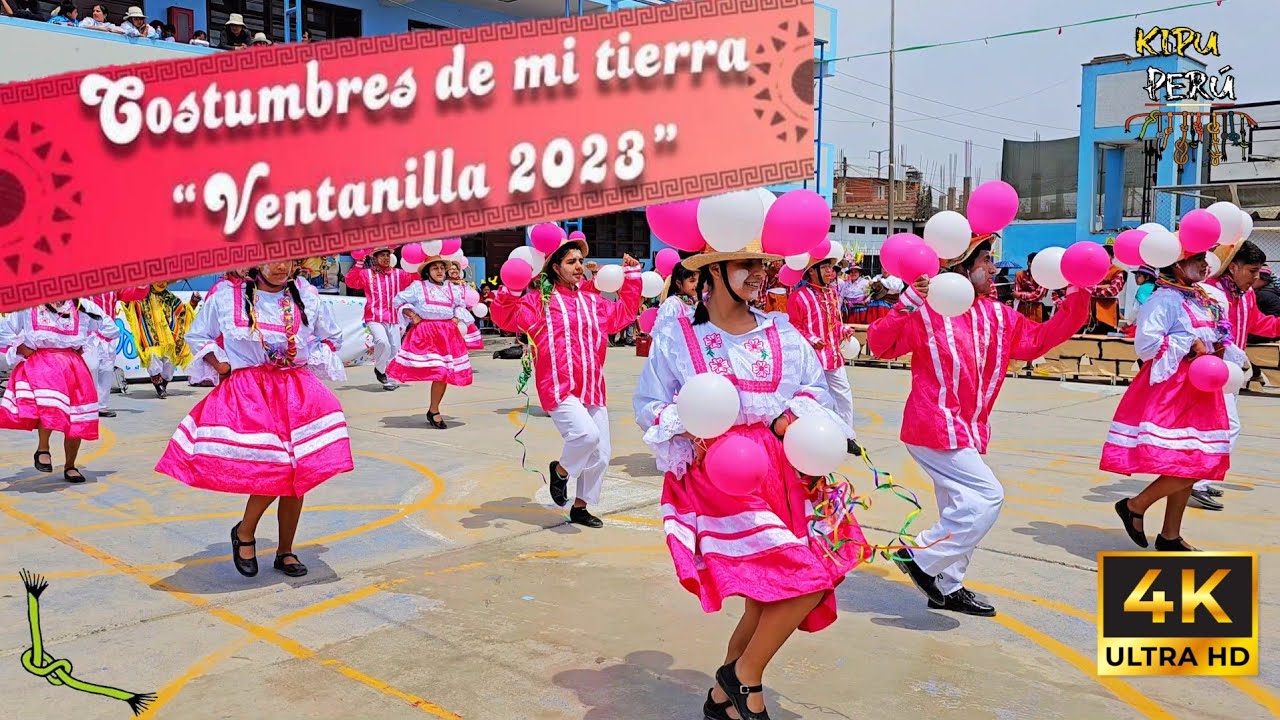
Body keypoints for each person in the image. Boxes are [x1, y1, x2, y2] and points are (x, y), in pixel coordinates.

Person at [633, 238, 868, 720]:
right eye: (747, 264)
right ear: (714, 271)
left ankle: (724, 694)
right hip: (720, 473)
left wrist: (788, 419)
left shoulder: (781, 332)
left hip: (783, 469)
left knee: (769, 595)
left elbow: (812, 389)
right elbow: (650, 405)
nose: (761, 273)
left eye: (764, 264)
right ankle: (745, 681)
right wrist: (692, 426)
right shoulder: (678, 335)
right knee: (806, 579)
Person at [867, 234, 1089, 616]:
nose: (993, 267)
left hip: (966, 429)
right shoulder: (928, 311)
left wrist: (1079, 292)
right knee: (987, 497)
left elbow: (1037, 342)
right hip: (933, 425)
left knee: (961, 507)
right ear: (962, 268)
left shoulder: (999, 315)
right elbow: (879, 345)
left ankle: (949, 584)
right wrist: (905, 304)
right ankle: (920, 557)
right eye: (985, 259)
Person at [155, 260, 352, 578]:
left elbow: (332, 337)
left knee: (297, 474)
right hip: (252, 393)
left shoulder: (304, 293)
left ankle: (285, 550)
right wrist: (222, 366)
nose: (281, 267)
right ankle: (246, 531)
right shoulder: (227, 293)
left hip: (295, 388)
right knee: (274, 466)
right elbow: (199, 336)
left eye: (287, 260)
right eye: (272, 259)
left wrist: (308, 357)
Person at [490, 239, 642, 528]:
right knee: (586, 436)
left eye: (580, 261)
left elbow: (623, 314)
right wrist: (510, 290)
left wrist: (632, 277)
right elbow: (507, 317)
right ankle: (560, 472)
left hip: (593, 385)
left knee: (601, 454)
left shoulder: (592, 301)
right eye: (571, 262)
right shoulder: (540, 301)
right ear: (556, 267)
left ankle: (580, 507)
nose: (578, 267)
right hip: (558, 385)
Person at [1105, 251, 1244, 551]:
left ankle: (1170, 535)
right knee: (1195, 462)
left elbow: (1215, 334)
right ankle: (1135, 506)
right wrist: (1189, 345)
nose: (1206, 266)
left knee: (1188, 463)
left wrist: (1219, 347)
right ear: (1177, 264)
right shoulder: (1163, 299)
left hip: (1202, 388)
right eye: (1198, 261)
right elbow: (1146, 344)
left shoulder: (1200, 296)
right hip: (1175, 388)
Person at [1185, 240, 1278, 511]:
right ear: (1233, 267)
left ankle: (1197, 479)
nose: (1256, 277)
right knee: (1225, 427)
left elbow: (1259, 324)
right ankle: (1194, 483)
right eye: (1252, 271)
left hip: (1232, 374)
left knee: (1218, 427)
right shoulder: (1209, 293)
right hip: (1211, 372)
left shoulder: (1245, 295)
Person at [0, 298, 118, 483]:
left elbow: (110, 328)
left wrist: (86, 346)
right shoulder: (30, 303)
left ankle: (70, 465)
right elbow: (4, 328)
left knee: (76, 417)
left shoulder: (83, 306)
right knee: (50, 405)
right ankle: (43, 448)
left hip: (73, 365)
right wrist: (22, 348)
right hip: (43, 363)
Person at [386, 255, 475, 428]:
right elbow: (398, 301)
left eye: (442, 268)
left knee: (443, 372)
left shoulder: (452, 288)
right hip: (426, 333)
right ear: (428, 272)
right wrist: (413, 315)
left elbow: (460, 306)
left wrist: (456, 318)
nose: (440, 271)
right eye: (435, 268)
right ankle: (433, 411)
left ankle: (434, 410)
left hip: (447, 334)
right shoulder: (418, 287)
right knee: (437, 370)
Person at [787, 251, 859, 454]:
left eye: (832, 267)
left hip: (834, 356)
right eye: (825, 267)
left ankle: (847, 435)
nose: (831, 271)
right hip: (812, 360)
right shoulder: (798, 296)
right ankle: (821, 438)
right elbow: (793, 327)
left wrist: (843, 330)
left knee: (844, 395)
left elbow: (835, 322)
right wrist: (811, 339)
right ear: (811, 272)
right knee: (818, 399)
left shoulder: (832, 294)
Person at [344, 247, 416, 391]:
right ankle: (380, 370)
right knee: (383, 342)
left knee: (395, 349)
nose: (386, 258)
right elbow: (351, 282)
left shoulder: (399, 274)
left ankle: (386, 377)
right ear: (375, 258)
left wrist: (423, 263)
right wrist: (359, 263)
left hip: (394, 318)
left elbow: (415, 278)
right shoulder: (366, 274)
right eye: (382, 255)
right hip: (374, 316)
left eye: (387, 255)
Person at [120, 281, 194, 398]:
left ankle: (163, 384)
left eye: (165, 281)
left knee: (169, 365)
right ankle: (159, 387)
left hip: (168, 338)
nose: (162, 284)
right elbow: (128, 302)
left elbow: (182, 312)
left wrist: (193, 302)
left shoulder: (168, 296)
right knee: (153, 359)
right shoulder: (141, 295)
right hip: (149, 336)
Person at [84, 287, 147, 418]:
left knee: (106, 370)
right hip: (87, 332)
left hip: (108, 333)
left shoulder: (113, 284)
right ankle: (87, 404)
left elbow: (130, 294)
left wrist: (143, 284)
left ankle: (101, 406)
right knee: (92, 366)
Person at [653, 255, 699, 331]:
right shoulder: (672, 304)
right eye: (692, 281)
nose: (697, 284)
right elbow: (663, 333)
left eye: (698, 280)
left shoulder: (692, 301)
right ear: (679, 283)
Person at [447, 262, 484, 351]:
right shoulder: (445, 284)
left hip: (463, 312)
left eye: (456, 269)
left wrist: (470, 305)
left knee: (466, 338)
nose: (454, 271)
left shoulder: (464, 284)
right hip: (450, 312)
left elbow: (469, 297)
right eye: (451, 269)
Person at [1013, 253, 1048, 322]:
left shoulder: (1043, 277)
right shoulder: (1019, 275)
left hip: (1036, 309)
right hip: (1021, 309)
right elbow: (1016, 292)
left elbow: (1038, 296)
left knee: (1036, 329)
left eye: (1033, 262)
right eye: (1029, 262)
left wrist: (1022, 295)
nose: (1030, 264)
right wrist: (1031, 294)